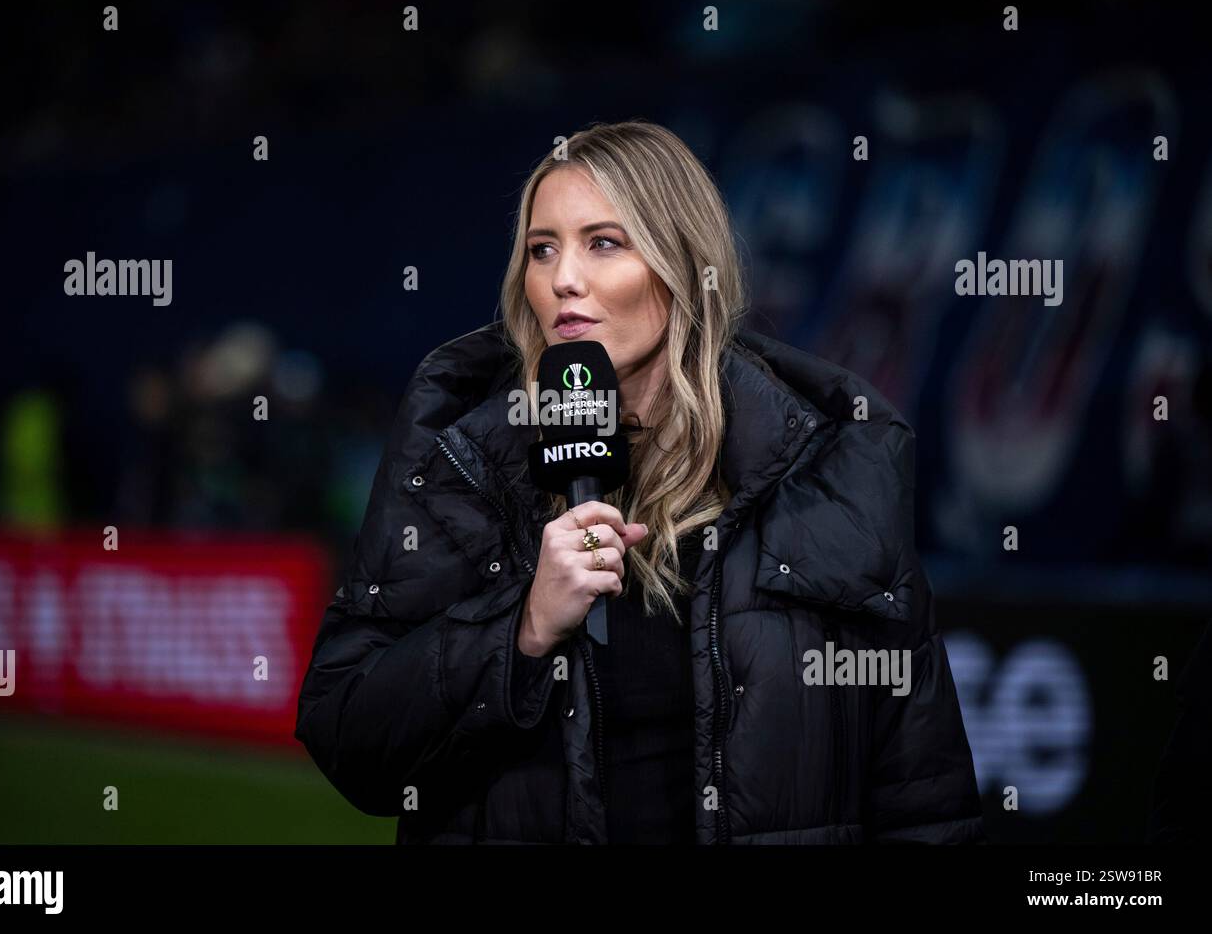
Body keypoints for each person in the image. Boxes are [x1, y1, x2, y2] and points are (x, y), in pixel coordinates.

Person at [295, 120, 985, 844]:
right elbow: (349, 734)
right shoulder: (456, 463)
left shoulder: (833, 467)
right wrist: (521, 629)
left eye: (604, 243)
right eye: (542, 249)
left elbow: (922, 793)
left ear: (682, 262)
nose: (564, 278)